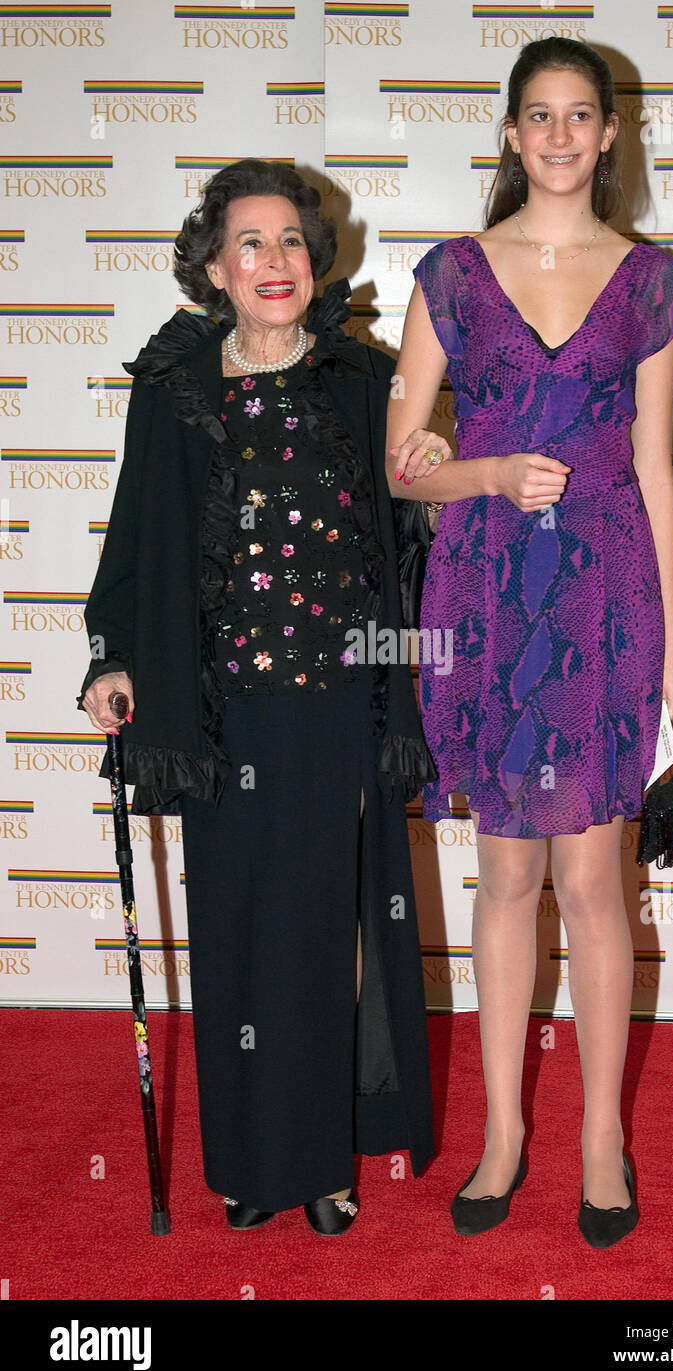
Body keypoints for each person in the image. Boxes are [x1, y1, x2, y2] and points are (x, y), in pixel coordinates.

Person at [79, 159, 440, 1235]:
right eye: (250, 243)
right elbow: (136, 540)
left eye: (290, 240)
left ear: (313, 259)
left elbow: (405, 539)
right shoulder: (175, 388)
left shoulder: (361, 380)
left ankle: (323, 1167)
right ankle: (245, 1166)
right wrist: (112, 657)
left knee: (326, 936)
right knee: (236, 934)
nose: (274, 261)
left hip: (335, 702)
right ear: (215, 267)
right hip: (220, 709)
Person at [388, 37, 673, 1246]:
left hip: (611, 597)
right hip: (490, 595)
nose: (561, 135)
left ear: (610, 134)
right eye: (539, 115)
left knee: (595, 884)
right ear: (510, 133)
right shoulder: (454, 276)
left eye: (583, 115)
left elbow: (660, 476)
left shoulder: (654, 281)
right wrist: (489, 470)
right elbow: (405, 468)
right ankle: (504, 1135)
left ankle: (601, 1141)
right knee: (507, 873)